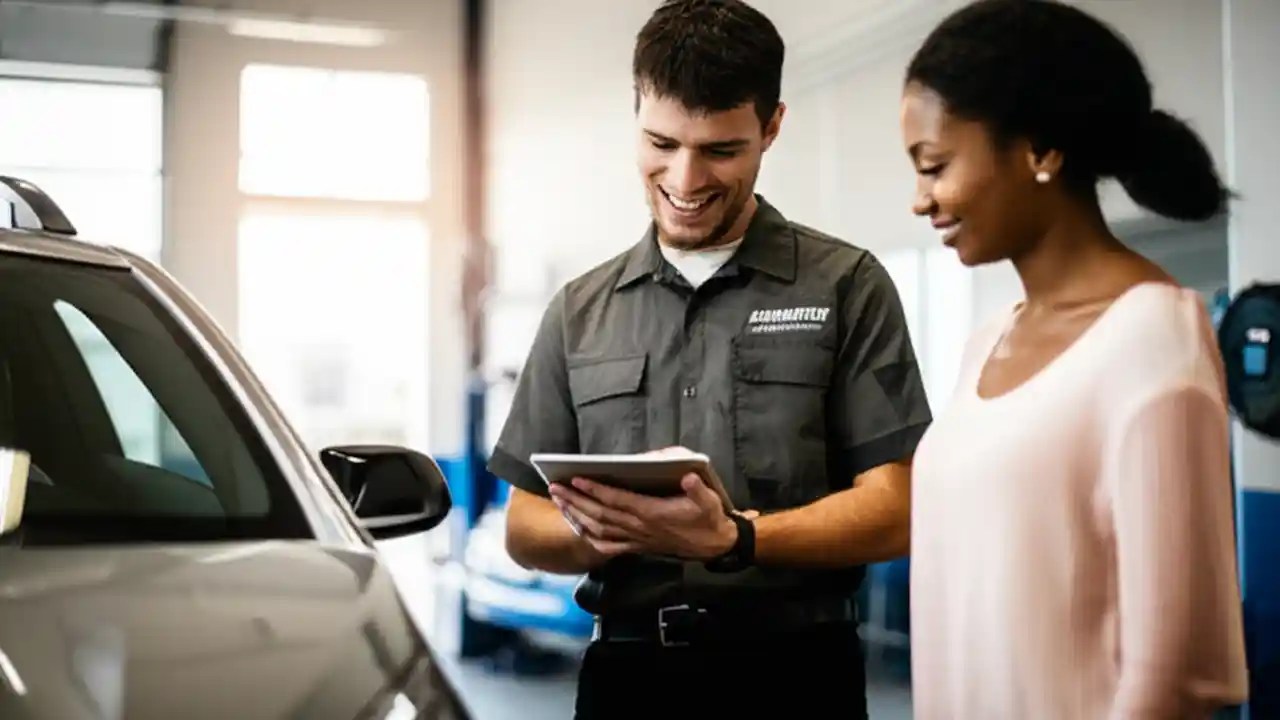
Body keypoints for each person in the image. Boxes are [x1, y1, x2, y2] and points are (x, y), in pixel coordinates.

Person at [486, 0, 932, 717]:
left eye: (721, 150)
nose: (686, 180)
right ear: (635, 114)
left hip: (796, 679)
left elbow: (894, 511)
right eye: (661, 143)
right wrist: (608, 531)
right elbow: (523, 526)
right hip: (627, 680)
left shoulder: (847, 286)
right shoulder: (579, 310)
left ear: (772, 127)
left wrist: (737, 538)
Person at [899, 1, 1250, 718]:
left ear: (1040, 149)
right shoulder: (986, 343)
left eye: (934, 165)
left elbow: (1175, 674)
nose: (919, 199)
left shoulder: (1153, 336)